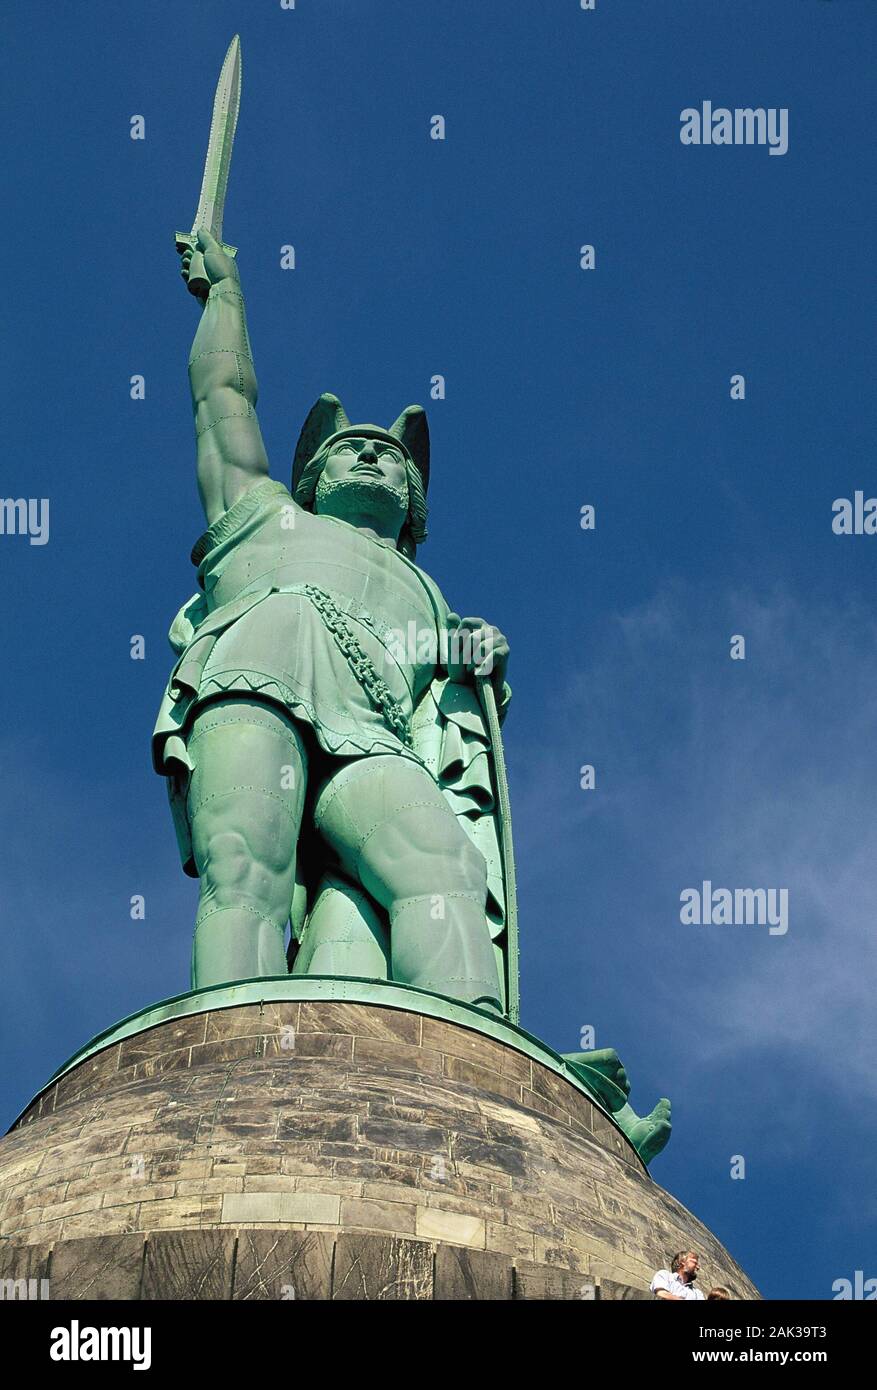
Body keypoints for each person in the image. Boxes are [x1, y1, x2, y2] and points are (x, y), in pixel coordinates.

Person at [152, 229, 511, 1009]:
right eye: (351, 448)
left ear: (414, 499)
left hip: (373, 734)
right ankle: (231, 1058)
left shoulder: (428, 594)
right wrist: (225, 296)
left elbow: (447, 709)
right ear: (312, 479)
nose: (373, 457)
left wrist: (475, 656)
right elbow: (223, 401)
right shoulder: (260, 517)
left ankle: (474, 1061)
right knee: (246, 865)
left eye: (391, 456)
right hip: (258, 672)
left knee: (444, 868)